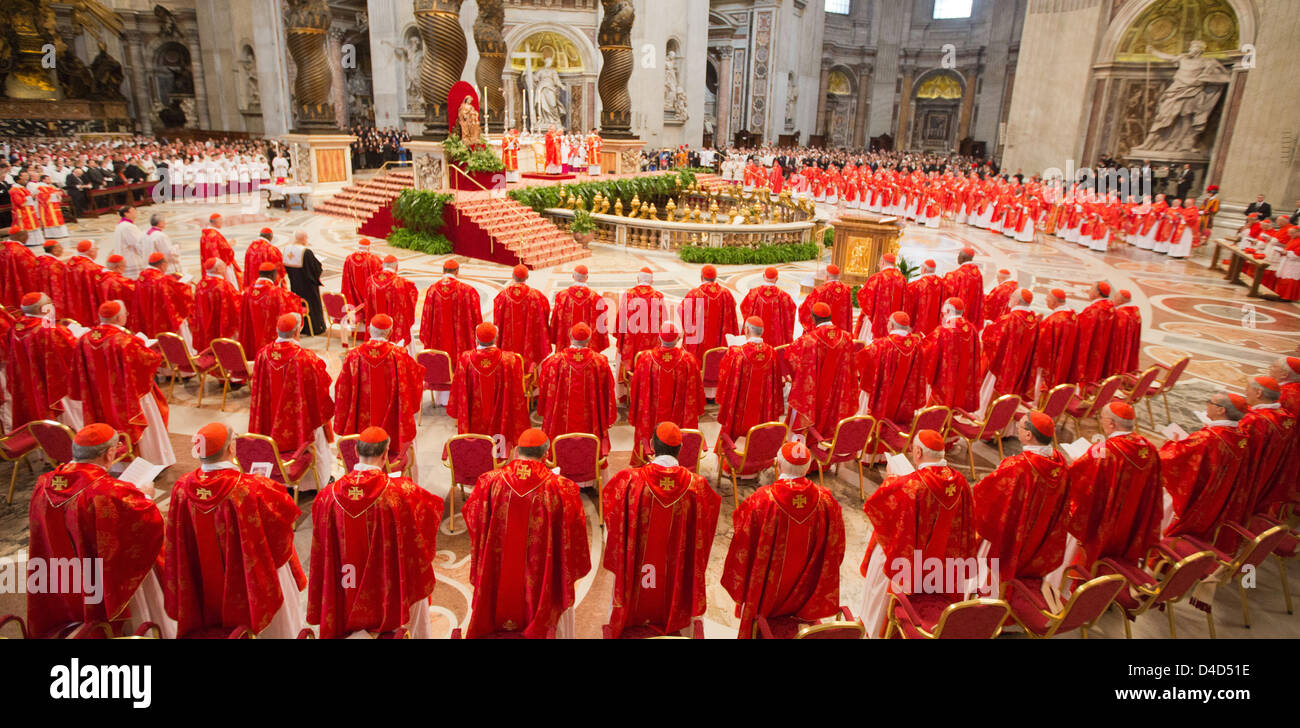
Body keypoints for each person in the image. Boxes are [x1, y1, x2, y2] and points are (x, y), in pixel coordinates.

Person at [164, 423, 307, 638]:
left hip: (202, 574)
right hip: (246, 574)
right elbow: (283, 519)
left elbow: (176, 538)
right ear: (230, 449)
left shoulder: (181, 488)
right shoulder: (252, 488)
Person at [26, 423, 166, 638]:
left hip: (61, 568)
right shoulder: (108, 492)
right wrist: (145, 495)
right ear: (110, 453)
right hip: (104, 575)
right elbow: (146, 524)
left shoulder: (43, 484)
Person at [307, 426, 443, 639]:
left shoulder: (326, 497)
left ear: (355, 450)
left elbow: (320, 549)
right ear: (386, 452)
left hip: (345, 579)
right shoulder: (401, 493)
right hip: (387, 579)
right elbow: (431, 512)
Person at [462, 428, 590, 638]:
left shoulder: (489, 482)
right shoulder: (561, 488)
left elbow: (473, 516)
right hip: (540, 570)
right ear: (546, 454)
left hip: (499, 564)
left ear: (516, 452)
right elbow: (573, 531)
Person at [601, 422, 720, 638]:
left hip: (637, 566)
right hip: (676, 567)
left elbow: (611, 515)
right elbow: (705, 529)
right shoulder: (698, 486)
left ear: (653, 447)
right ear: (681, 448)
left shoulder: (630, 481)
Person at [860, 429, 977, 637]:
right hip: (943, 567)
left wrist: (890, 480)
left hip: (911, 565)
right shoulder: (961, 483)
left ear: (918, 453)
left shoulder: (911, 485)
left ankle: (879, 630)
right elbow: (966, 526)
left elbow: (878, 508)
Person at [722, 441, 844, 638]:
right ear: (807, 468)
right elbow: (836, 550)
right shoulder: (827, 501)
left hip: (766, 595)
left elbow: (743, 546)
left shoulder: (763, 500)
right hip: (806, 595)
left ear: (778, 465)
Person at [971, 411, 1070, 587]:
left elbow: (987, 495)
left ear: (1028, 435)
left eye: (1020, 426)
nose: (1017, 427)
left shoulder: (1018, 467)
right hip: (1039, 532)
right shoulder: (1059, 460)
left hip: (1014, 531)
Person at [70, 301, 174, 467]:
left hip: (97, 396)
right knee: (141, 427)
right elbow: (149, 360)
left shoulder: (84, 340)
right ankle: (150, 463)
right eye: (125, 314)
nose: (127, 316)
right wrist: (151, 349)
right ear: (119, 317)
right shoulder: (123, 340)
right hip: (127, 396)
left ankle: (115, 463)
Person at [1065, 402, 1162, 570]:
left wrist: (1075, 464)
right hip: (1133, 515)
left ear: (1111, 423)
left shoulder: (1106, 450)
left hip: (1106, 519)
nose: (1100, 422)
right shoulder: (1149, 447)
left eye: (1101, 418)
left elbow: (1081, 478)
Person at [249, 313, 336, 492]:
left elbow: (258, 389)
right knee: (315, 440)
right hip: (301, 418)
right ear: (298, 330)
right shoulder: (305, 358)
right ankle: (316, 483)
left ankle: (283, 481)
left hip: (271, 416)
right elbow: (320, 387)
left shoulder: (263, 355)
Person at [1159, 392, 1249, 542]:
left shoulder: (1208, 437)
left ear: (1221, 410)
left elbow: (1170, 459)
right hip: (1215, 492)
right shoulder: (1239, 435)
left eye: (1210, 402)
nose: (1206, 405)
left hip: (1192, 492)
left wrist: (1172, 444)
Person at [333, 314, 424, 461]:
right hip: (392, 423)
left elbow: (342, 389)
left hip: (360, 420)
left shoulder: (353, 355)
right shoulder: (399, 355)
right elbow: (414, 379)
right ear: (390, 331)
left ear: (369, 329)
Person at [447, 322, 530, 458]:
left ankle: (475, 457)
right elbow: (516, 393)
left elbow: (458, 391)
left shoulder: (465, 359)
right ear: (496, 338)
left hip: (474, 416)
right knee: (500, 431)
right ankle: (499, 457)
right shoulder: (509, 360)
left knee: (475, 450)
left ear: (476, 339)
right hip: (500, 416)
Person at [537, 323, 617, 458]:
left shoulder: (554, 362)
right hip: (591, 421)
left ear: (570, 337)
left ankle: (559, 459)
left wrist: (543, 409)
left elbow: (545, 390)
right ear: (589, 339)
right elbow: (608, 392)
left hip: (559, 422)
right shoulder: (600, 362)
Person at [1227, 376, 1298, 529]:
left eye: (1247, 389)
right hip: (1268, 472)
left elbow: (1232, 448)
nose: (1245, 393)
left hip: (1245, 475)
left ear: (1258, 393)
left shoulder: (1252, 420)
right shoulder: (1285, 416)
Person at [628, 324, 705, 462]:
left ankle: (648, 459)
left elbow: (636, 389)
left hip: (651, 415)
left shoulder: (646, 359)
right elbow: (696, 391)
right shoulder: (689, 360)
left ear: (659, 337)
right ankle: (679, 461)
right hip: (679, 415)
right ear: (678, 339)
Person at [4, 293, 77, 432]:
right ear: (44, 309)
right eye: (50, 303)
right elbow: (74, 354)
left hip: (25, 384)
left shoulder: (15, 328)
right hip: (52, 386)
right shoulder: (50, 329)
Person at [787, 302, 859, 438]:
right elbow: (851, 366)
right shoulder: (847, 338)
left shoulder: (808, 340)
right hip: (836, 390)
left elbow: (792, 359)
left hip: (814, 392)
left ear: (813, 319)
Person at [715, 316, 785, 443]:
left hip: (739, 413)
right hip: (763, 409)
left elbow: (724, 377)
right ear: (762, 331)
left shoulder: (737, 353)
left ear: (746, 330)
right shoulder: (772, 353)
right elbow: (776, 386)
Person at [858, 311, 926, 425]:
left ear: (891, 325)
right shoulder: (917, 346)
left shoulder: (881, 345)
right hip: (905, 396)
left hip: (883, 395)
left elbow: (861, 360)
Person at [980, 289, 1040, 403]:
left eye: (1012, 297)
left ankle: (988, 414)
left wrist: (989, 327)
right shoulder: (1034, 321)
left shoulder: (1009, 319)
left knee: (991, 391)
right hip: (1021, 364)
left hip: (1004, 365)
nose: (1009, 299)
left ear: (1017, 301)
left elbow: (992, 340)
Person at [922, 298, 981, 413]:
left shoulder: (944, 330)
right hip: (964, 377)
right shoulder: (972, 329)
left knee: (938, 408)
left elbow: (927, 351)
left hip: (946, 378)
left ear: (948, 310)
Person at [493, 265, 552, 376]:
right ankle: (530, 378)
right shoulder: (536, 295)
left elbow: (497, 318)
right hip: (529, 341)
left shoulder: (502, 296)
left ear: (512, 276)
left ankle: (508, 375)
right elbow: (545, 315)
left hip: (508, 339)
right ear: (527, 277)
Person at [419, 259, 482, 362]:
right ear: (457, 271)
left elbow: (426, 316)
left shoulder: (432, 290)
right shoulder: (467, 291)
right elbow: (476, 317)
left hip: (437, 339)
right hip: (460, 341)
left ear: (443, 271)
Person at [239, 262, 304, 358]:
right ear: (272, 275)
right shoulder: (277, 293)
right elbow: (293, 306)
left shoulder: (247, 292)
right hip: (270, 341)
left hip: (252, 335)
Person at [616, 267, 669, 381]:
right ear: (652, 281)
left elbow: (620, 320)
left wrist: (620, 336)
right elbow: (663, 321)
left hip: (631, 341)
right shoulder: (658, 296)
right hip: (651, 341)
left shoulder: (629, 294)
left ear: (637, 279)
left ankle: (628, 388)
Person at [681, 264, 738, 365]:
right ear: (715, 278)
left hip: (699, 341)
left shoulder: (694, 294)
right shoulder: (726, 293)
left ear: (701, 277)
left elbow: (683, 312)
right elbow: (732, 315)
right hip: (719, 340)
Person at [134, 252, 194, 341]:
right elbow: (180, 293)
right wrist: (186, 285)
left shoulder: (141, 277)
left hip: (149, 315)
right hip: (164, 317)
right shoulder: (163, 279)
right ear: (162, 265)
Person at [550, 264, 609, 353]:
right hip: (589, 344)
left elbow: (555, 321)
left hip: (566, 343)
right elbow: (602, 322)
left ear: (573, 276)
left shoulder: (562, 296)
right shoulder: (596, 298)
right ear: (587, 278)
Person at [365, 255, 418, 348]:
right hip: (395, 328)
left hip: (375, 324)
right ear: (396, 267)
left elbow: (367, 304)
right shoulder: (402, 283)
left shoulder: (370, 281)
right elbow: (410, 301)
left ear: (382, 265)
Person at [1033, 288, 1078, 395]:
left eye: (1048, 298)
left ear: (1054, 301)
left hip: (1052, 361)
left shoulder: (1054, 320)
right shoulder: (1072, 315)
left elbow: (1041, 341)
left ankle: (1039, 402)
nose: (1046, 300)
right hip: (1065, 358)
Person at [191, 259, 240, 353]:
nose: (225, 267)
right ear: (218, 269)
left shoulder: (201, 283)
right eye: (222, 265)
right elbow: (235, 305)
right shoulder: (224, 285)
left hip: (205, 322)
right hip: (220, 323)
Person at [740, 267, 797, 348]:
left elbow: (744, 307)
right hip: (776, 340)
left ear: (763, 276)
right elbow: (790, 313)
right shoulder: (784, 296)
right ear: (777, 278)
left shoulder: (753, 293)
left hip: (754, 332)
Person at [283, 231, 325, 336]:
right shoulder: (305, 252)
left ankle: (302, 327)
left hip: (294, 284)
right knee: (312, 305)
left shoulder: (286, 250)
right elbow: (315, 269)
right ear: (304, 239)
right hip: (308, 287)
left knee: (299, 304)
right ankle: (316, 328)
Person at [855, 253, 906, 340]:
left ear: (882, 262)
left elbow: (863, 296)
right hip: (895, 322)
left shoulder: (877, 277)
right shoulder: (902, 279)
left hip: (876, 319)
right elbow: (906, 300)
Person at [1074, 281, 1116, 384]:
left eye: (1091, 288)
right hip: (1102, 347)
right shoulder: (1110, 306)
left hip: (1092, 348)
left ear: (1097, 292)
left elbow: (1080, 326)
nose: (1089, 291)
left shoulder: (1094, 309)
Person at [798, 264, 853, 333]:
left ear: (826, 277)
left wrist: (801, 308)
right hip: (841, 333)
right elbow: (848, 311)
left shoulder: (820, 291)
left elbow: (806, 308)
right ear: (838, 276)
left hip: (823, 332)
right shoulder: (846, 289)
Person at [943, 247, 985, 330]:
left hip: (959, 310)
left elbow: (948, 288)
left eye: (958, 255)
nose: (957, 258)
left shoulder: (959, 274)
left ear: (962, 258)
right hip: (973, 309)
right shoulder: (978, 273)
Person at [63, 240, 103, 327]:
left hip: (74, 302)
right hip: (87, 302)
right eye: (96, 249)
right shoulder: (91, 267)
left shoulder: (70, 263)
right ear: (91, 252)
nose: (97, 251)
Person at [903, 259, 945, 335]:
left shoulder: (917, 284)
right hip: (935, 323)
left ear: (924, 269)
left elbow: (907, 299)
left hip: (920, 323)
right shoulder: (941, 283)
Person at [200, 213, 241, 289]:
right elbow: (223, 251)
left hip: (210, 266)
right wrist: (230, 245)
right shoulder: (214, 235)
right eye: (221, 221)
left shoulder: (206, 234)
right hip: (219, 266)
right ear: (217, 222)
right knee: (229, 286)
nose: (222, 222)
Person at [0, 228, 37, 309]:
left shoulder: (4, 246)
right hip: (19, 282)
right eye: (27, 236)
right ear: (21, 236)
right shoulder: (20, 250)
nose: (28, 238)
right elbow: (31, 267)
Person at [341, 238, 382, 310]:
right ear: (369, 248)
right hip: (367, 295)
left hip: (353, 297)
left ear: (358, 247)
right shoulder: (374, 260)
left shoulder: (349, 259)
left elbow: (346, 280)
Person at [32, 240, 69, 318]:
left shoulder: (39, 259)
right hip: (52, 295)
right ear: (54, 250)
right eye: (60, 247)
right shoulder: (56, 264)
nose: (62, 249)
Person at [1110, 289, 1142, 376]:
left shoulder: (1121, 313)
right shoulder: (1135, 311)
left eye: (1115, 297)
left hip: (1120, 348)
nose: (1113, 299)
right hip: (1131, 345)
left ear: (1120, 300)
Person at [111, 206, 147, 279]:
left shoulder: (120, 225)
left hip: (123, 257)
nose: (136, 213)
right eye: (133, 211)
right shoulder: (128, 226)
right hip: (130, 259)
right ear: (126, 214)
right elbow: (137, 243)